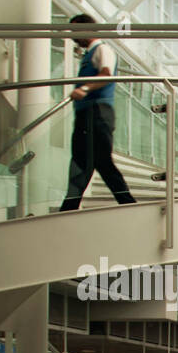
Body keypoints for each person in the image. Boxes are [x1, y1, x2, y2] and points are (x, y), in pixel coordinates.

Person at [58, 14, 137, 212]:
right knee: (80, 162)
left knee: (100, 160)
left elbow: (106, 75)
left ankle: (128, 204)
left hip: (98, 113)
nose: (73, 37)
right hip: (85, 115)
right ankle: (68, 208)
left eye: (76, 32)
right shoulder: (88, 54)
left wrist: (84, 89)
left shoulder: (102, 49)